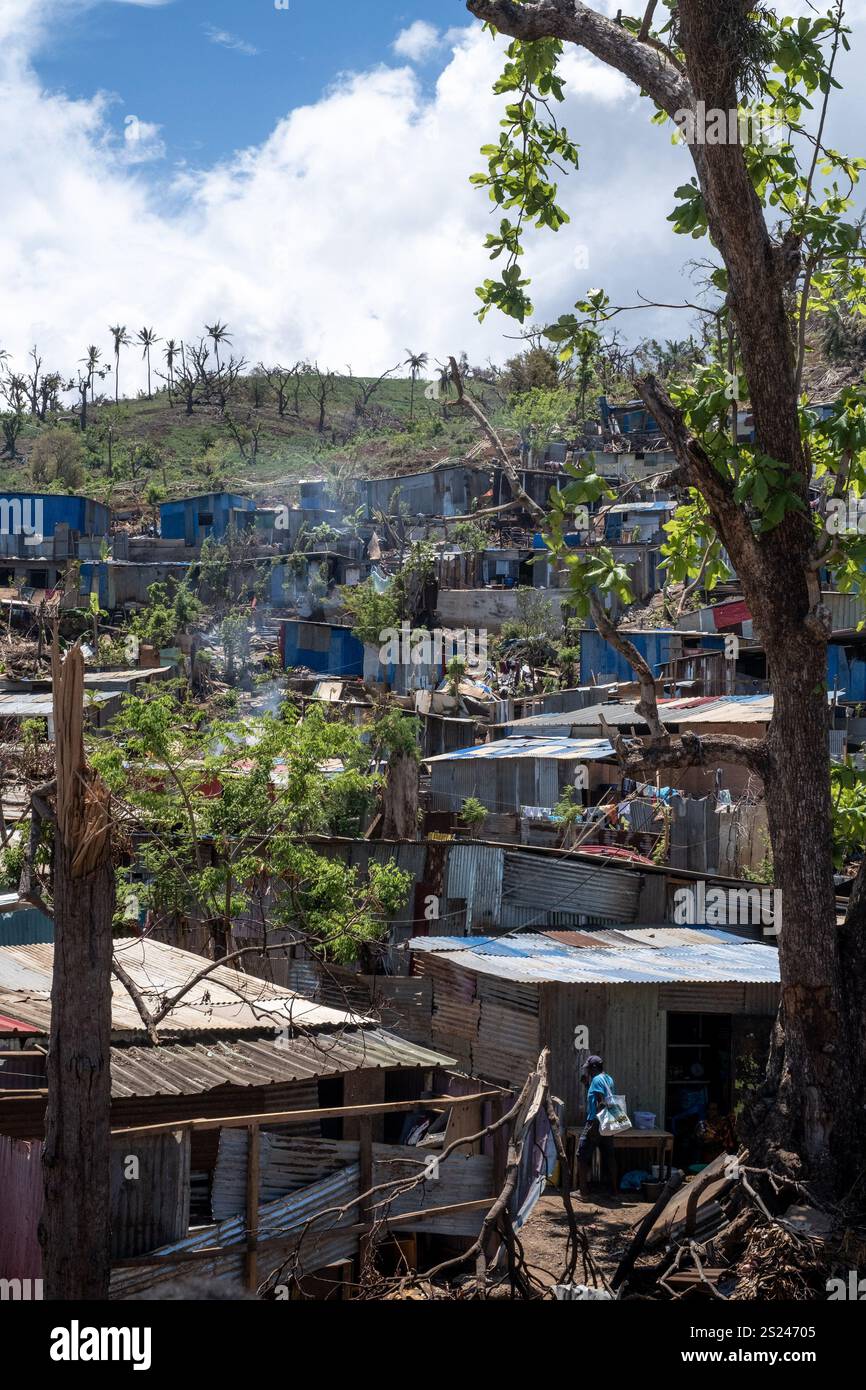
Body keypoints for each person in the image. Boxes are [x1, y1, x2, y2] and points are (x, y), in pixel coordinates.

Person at [577, 1055, 618, 1202]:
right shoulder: (608, 1079)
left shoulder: (596, 1080)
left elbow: (601, 1103)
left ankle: (583, 1194)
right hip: (608, 1124)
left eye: (588, 1068)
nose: (586, 1071)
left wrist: (594, 1126)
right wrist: (587, 1086)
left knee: (581, 1156)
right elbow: (602, 1098)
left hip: (595, 1122)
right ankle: (613, 1192)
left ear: (593, 1068)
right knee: (609, 1157)